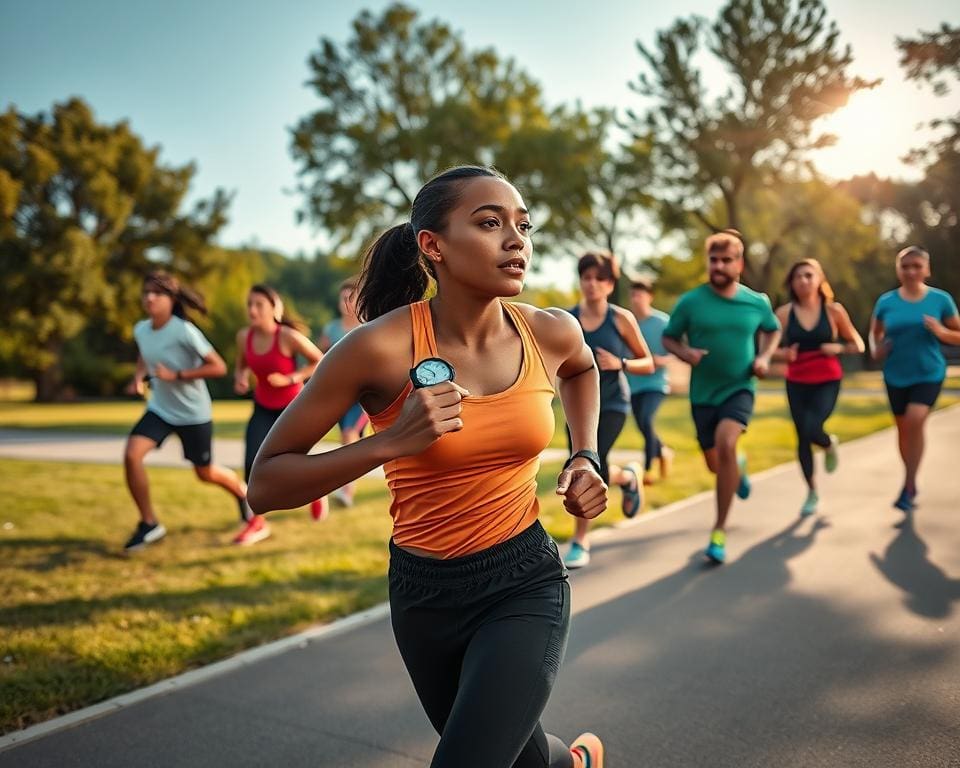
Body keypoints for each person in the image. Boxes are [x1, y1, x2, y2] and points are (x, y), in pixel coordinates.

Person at [248, 166, 607, 768]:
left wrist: (586, 453)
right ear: (432, 246)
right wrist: (386, 444)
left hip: (523, 580)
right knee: (518, 757)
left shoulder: (549, 331)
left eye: (522, 225)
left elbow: (583, 368)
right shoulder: (376, 349)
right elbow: (265, 484)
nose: (516, 240)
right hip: (423, 594)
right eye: (490, 223)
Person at [662, 230, 781, 564]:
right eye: (713, 260)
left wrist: (764, 357)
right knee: (718, 463)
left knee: (726, 443)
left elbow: (772, 329)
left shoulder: (756, 302)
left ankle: (719, 530)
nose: (718, 266)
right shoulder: (691, 302)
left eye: (726, 260)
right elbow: (670, 338)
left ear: (739, 263)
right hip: (703, 394)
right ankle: (738, 470)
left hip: (740, 387)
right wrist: (685, 353)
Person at [122, 271, 248, 551]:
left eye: (158, 293)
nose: (150, 298)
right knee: (132, 455)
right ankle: (149, 524)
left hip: (193, 413)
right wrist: (138, 377)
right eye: (146, 292)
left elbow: (218, 366)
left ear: (171, 299)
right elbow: (144, 353)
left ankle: (242, 493)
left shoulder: (184, 331)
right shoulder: (141, 329)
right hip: (160, 409)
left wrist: (176, 375)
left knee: (204, 473)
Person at [564, 251, 653, 570]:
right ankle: (626, 478)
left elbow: (648, 362)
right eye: (586, 278)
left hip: (613, 404)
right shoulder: (567, 319)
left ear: (610, 284)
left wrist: (622, 363)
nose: (592, 284)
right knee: (584, 465)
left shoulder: (620, 318)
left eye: (599, 279)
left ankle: (580, 540)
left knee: (585, 468)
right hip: (576, 408)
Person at [869, 246, 960, 513]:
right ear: (898, 270)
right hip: (896, 374)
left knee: (914, 420)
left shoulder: (940, 300)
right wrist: (876, 349)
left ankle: (908, 484)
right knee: (904, 430)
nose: (911, 271)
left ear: (926, 270)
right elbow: (875, 332)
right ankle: (910, 478)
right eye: (905, 266)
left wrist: (941, 332)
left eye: (916, 266)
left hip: (928, 371)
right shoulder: (886, 302)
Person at [232, 284, 325, 544]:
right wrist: (240, 378)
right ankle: (257, 523)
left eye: (259, 304)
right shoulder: (244, 337)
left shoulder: (286, 336)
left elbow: (319, 360)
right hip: (262, 406)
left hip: (291, 408)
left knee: (297, 462)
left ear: (275, 309)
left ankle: (317, 493)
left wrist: (290, 378)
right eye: (249, 304)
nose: (252, 309)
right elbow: (240, 365)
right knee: (251, 464)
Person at [773, 259, 865, 516]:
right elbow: (766, 348)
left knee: (813, 428)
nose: (803, 280)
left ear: (819, 279)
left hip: (827, 378)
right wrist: (783, 354)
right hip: (796, 379)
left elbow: (858, 344)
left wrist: (838, 348)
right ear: (791, 283)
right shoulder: (783, 313)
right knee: (802, 434)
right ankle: (812, 491)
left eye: (808, 275)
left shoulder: (834, 311)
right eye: (797, 277)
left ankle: (827, 444)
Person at [318, 276, 368, 507]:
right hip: (340, 395)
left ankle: (346, 491)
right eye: (343, 298)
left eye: (352, 297)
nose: (347, 302)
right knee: (348, 441)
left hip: (364, 396)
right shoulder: (331, 328)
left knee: (349, 435)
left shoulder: (369, 325)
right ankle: (348, 485)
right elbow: (319, 359)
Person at [626, 275, 675, 486]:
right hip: (632, 385)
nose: (636, 299)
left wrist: (661, 360)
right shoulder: (626, 322)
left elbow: (676, 351)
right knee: (643, 425)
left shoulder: (663, 322)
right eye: (633, 295)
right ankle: (663, 451)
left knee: (646, 420)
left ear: (650, 297)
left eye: (640, 295)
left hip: (656, 384)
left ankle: (648, 470)